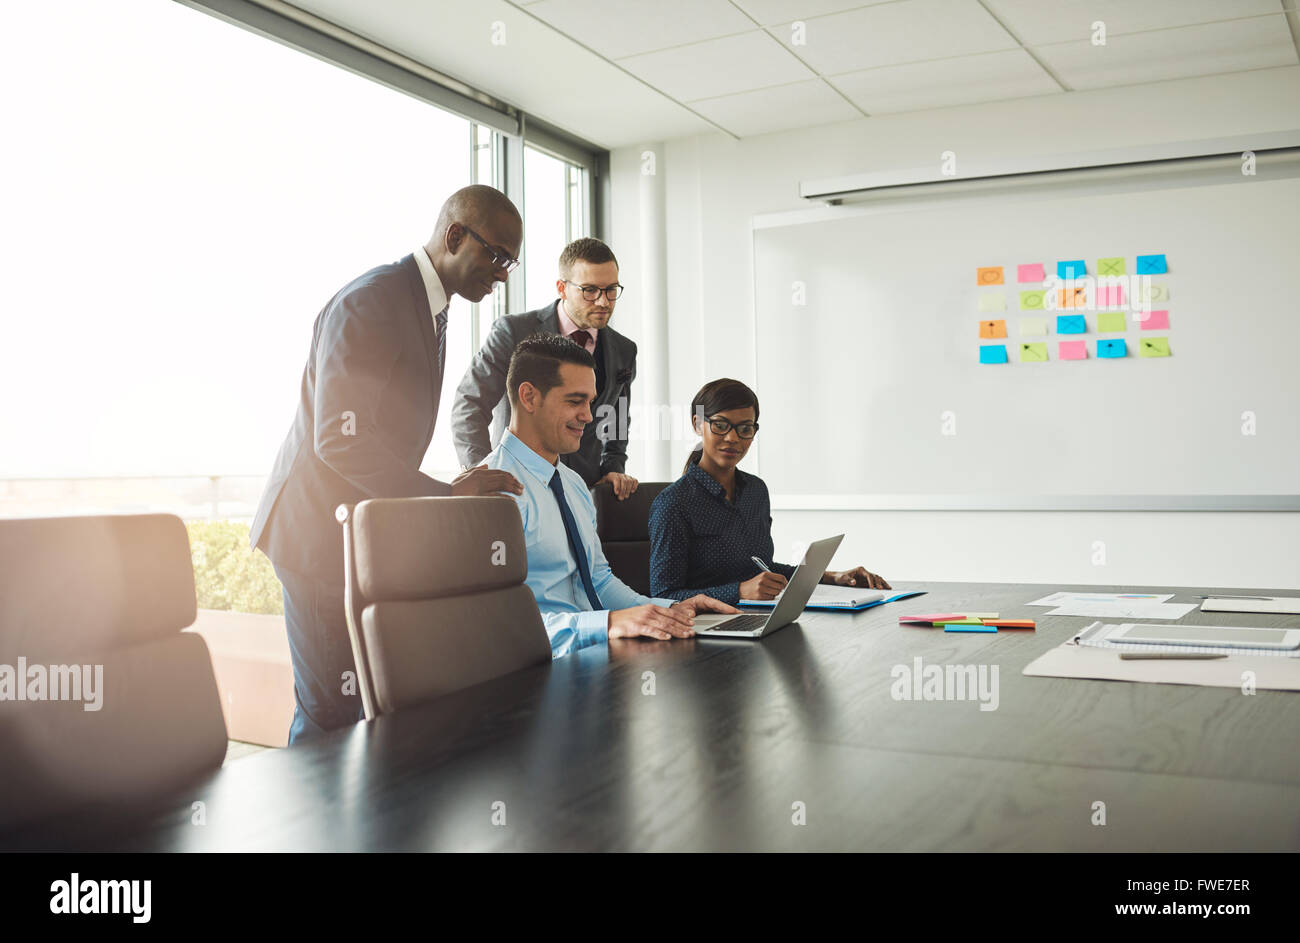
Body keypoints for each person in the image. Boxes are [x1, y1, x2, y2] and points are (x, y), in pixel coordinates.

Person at [249, 185, 525, 743]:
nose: (501, 275)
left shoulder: (426, 306)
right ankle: (320, 830)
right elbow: (340, 438)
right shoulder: (373, 300)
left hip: (355, 533)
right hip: (317, 535)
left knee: (361, 708)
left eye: (509, 263)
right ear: (453, 236)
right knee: (331, 715)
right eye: (496, 255)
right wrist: (446, 495)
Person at [483, 334, 738, 656]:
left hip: (597, 656)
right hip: (538, 673)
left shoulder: (574, 484)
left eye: (590, 402)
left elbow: (599, 580)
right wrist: (606, 624)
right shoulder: (492, 494)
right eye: (575, 401)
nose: (589, 417)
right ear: (530, 397)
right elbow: (496, 626)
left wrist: (669, 609)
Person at [649, 378, 889, 605]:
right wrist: (739, 591)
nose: (733, 438)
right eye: (721, 426)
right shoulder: (673, 503)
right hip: (701, 632)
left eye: (745, 428)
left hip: (755, 617)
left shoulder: (756, 491)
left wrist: (831, 577)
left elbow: (761, 568)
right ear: (698, 424)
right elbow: (664, 595)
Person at [453, 237, 639, 500]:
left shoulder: (624, 350)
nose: (603, 301)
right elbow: (469, 405)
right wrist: (482, 472)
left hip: (584, 493)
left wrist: (613, 470)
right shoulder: (512, 332)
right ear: (562, 288)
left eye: (611, 289)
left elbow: (616, 421)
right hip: (514, 486)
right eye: (590, 290)